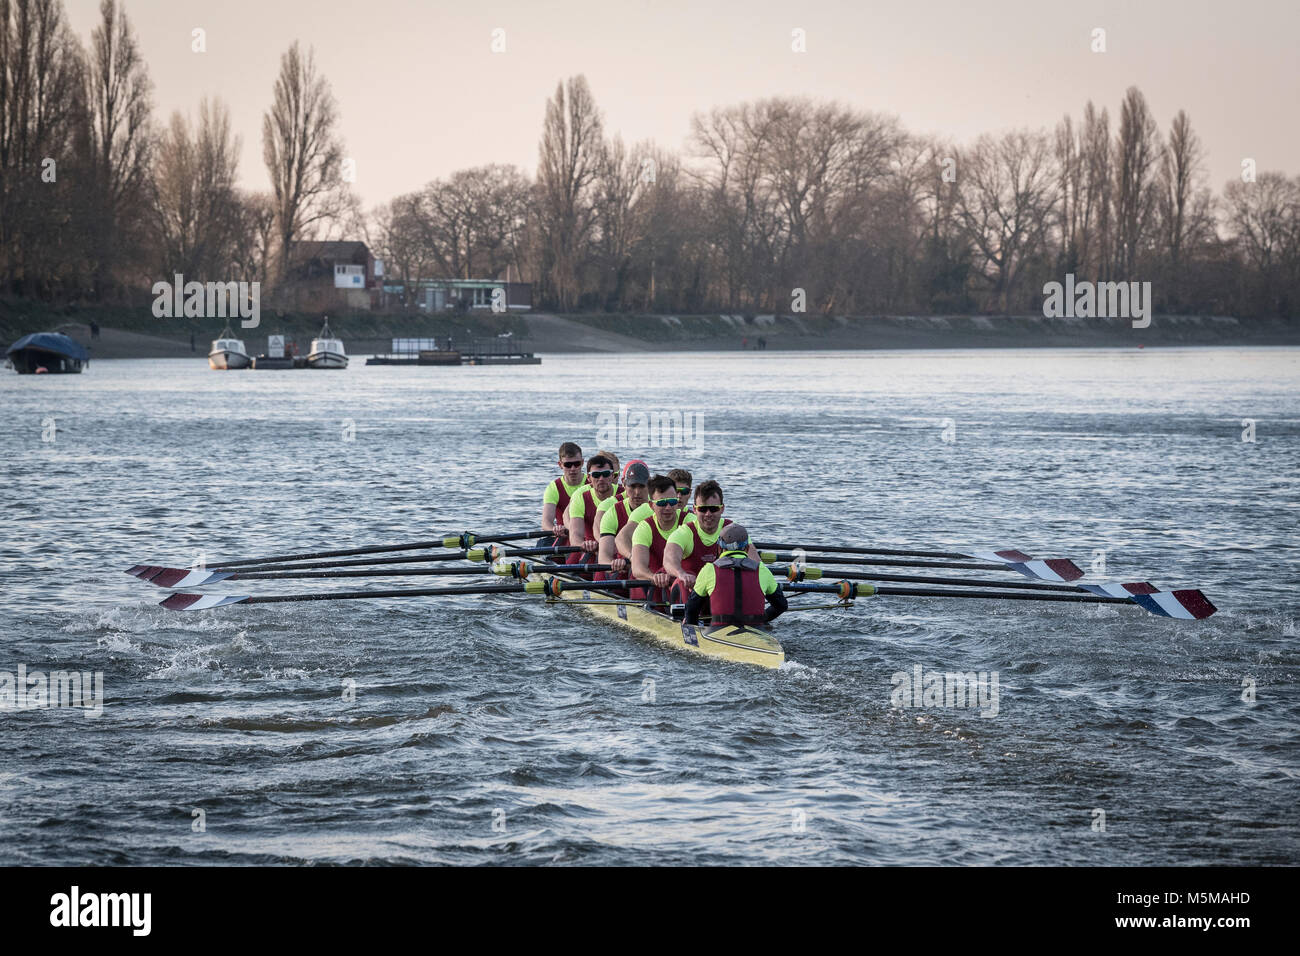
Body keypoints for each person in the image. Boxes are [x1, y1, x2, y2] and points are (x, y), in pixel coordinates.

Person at [685, 524, 787, 626]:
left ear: (719, 548)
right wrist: (763, 618)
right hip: (755, 633)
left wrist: (693, 632)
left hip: (717, 634)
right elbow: (781, 605)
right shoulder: (762, 569)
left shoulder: (709, 569)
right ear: (747, 548)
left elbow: (691, 609)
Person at [664, 480, 731, 603]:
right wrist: (681, 574)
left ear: (722, 509)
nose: (708, 514)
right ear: (694, 509)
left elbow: (755, 563)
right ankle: (686, 618)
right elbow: (669, 561)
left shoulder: (732, 531)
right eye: (703, 509)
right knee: (681, 581)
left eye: (713, 509)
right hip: (690, 592)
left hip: (720, 593)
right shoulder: (684, 533)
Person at [629, 475, 690, 604]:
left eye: (672, 502)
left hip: (683, 585)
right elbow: (638, 569)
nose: (668, 507)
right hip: (654, 589)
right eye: (662, 503)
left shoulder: (690, 521)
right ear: (651, 505)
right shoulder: (645, 528)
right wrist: (654, 577)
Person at [596, 462, 650, 579]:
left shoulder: (660, 508)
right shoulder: (612, 513)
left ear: (649, 486)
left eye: (641, 486)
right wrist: (613, 564)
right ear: (624, 485)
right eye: (632, 486)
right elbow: (603, 557)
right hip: (621, 570)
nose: (637, 492)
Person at [566, 454, 618, 568]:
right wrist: (583, 544)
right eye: (596, 475)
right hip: (590, 547)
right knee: (571, 564)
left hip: (617, 550)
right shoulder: (581, 497)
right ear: (589, 478)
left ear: (612, 476)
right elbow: (575, 534)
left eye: (605, 474)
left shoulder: (624, 495)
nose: (601, 479)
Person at [539, 442, 585, 546]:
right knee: (543, 544)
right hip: (563, 535)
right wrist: (554, 529)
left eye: (576, 464)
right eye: (568, 465)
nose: (573, 468)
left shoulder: (592, 483)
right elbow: (546, 522)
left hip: (586, 537)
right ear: (560, 465)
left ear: (582, 463)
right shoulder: (554, 488)